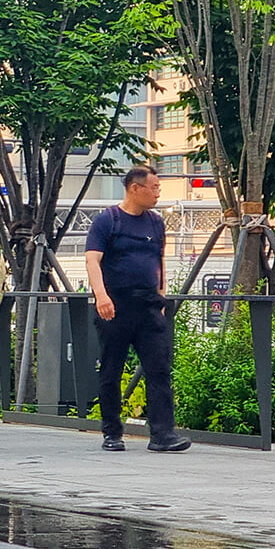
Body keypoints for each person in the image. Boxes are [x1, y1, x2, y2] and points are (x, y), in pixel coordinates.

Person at [86, 164, 192, 453]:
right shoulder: (108, 221)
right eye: (154, 187)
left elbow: (159, 262)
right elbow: (93, 261)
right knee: (111, 369)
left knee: (159, 368)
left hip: (148, 305)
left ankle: (162, 434)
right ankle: (112, 432)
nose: (158, 193)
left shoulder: (156, 223)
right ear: (135, 188)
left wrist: (161, 298)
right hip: (115, 304)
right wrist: (101, 296)